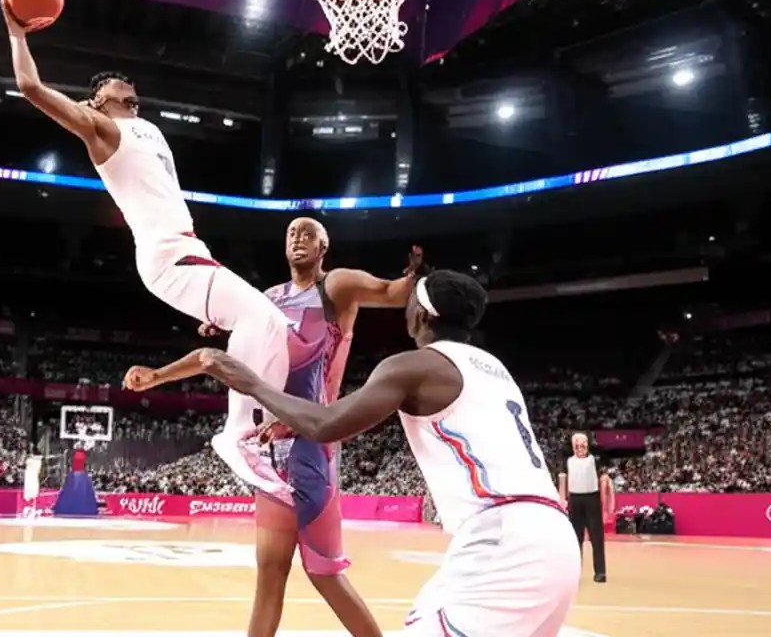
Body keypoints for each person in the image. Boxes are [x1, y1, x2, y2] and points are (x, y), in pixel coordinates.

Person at [0, 0, 290, 499]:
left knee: (269, 326)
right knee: (262, 320)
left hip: (189, 249)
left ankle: (264, 430)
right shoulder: (101, 129)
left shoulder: (148, 130)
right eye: (115, 89)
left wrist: (209, 296)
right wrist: (17, 33)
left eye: (132, 91)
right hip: (164, 254)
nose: (128, 90)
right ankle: (238, 434)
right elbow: (29, 87)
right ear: (96, 102)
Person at [193, 270, 580, 637]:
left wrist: (248, 382)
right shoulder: (494, 369)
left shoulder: (413, 366)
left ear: (421, 314)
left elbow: (327, 423)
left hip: (506, 542)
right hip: (555, 538)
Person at [125, 217, 422, 637]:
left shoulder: (335, 286)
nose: (297, 238)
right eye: (291, 233)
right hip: (267, 452)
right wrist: (157, 375)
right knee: (269, 577)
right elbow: (219, 358)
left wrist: (415, 276)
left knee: (324, 575)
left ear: (324, 246)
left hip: (311, 441)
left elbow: (393, 293)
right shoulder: (266, 300)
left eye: (308, 233)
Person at [558, 432, 611, 583]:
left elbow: (604, 480)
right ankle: (575, 571)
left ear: (587, 445)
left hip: (592, 498)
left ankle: (600, 572)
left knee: (597, 537)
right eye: (577, 445)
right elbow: (563, 480)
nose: (580, 447)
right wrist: (562, 500)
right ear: (573, 446)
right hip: (575, 499)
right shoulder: (567, 461)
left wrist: (605, 506)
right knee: (576, 538)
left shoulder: (595, 460)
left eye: (583, 444)